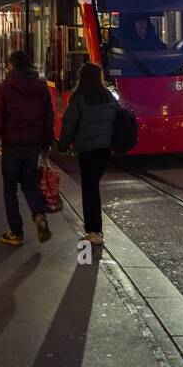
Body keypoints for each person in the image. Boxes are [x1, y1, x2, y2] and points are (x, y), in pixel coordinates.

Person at [0, 50, 53, 247]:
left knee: (10, 189)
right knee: (30, 184)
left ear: (12, 66)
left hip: (12, 145)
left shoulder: (5, 88)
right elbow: (48, 118)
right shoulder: (41, 87)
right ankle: (38, 214)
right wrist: (46, 144)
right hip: (33, 144)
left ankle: (16, 232)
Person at [57, 61, 117, 245]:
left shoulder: (79, 99)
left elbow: (69, 124)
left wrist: (63, 145)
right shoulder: (108, 97)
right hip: (104, 149)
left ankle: (94, 231)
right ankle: (95, 230)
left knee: (90, 190)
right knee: (93, 187)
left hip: (87, 150)